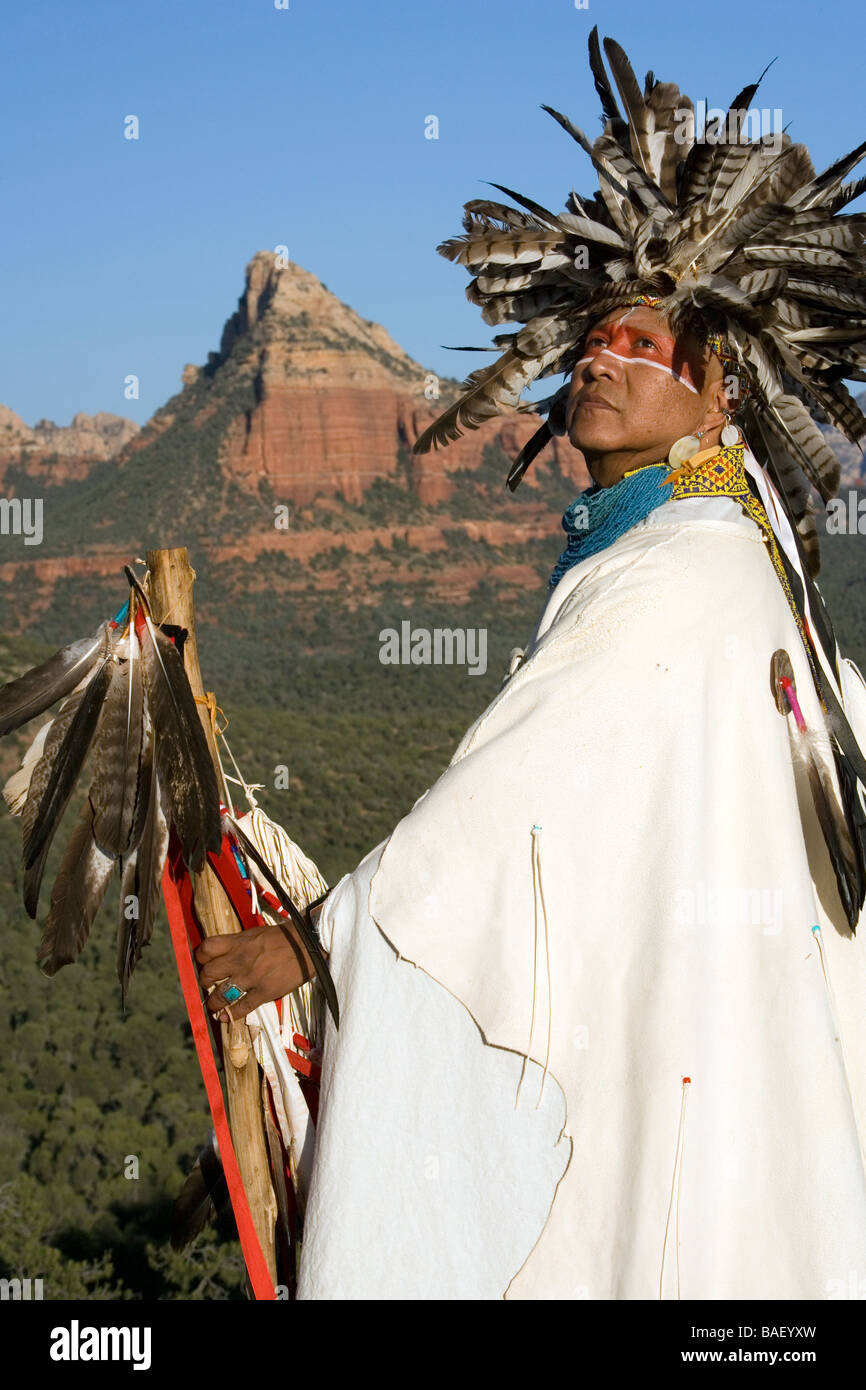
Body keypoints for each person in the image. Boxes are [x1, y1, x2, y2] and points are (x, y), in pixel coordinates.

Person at [196, 31, 866, 1298]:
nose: (596, 363)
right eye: (587, 342)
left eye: (640, 344)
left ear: (716, 385)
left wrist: (322, 941)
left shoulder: (684, 565)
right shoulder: (727, 549)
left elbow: (510, 795)